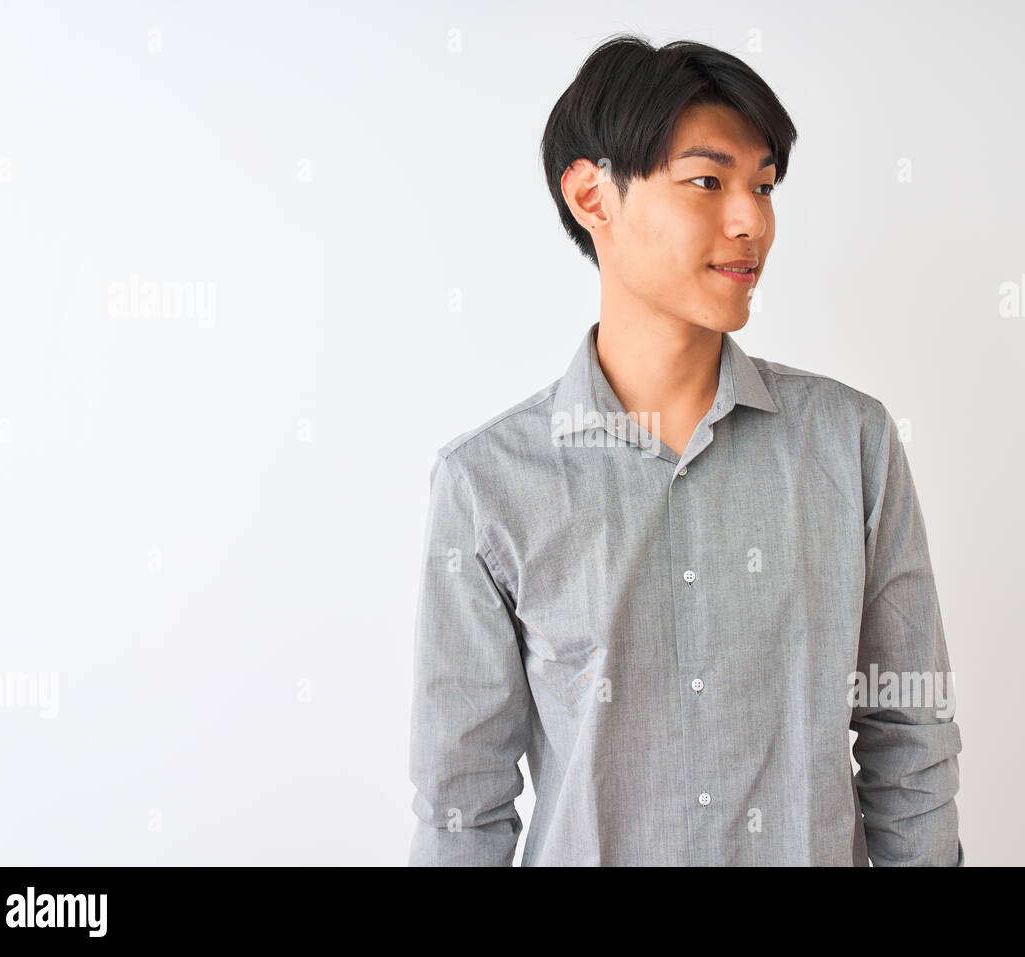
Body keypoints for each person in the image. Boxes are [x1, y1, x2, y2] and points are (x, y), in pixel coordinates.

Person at [407, 33, 964, 866]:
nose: (752, 222)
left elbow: (910, 741)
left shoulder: (852, 444)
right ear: (594, 194)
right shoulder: (487, 482)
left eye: (764, 186)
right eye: (708, 181)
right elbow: (463, 802)